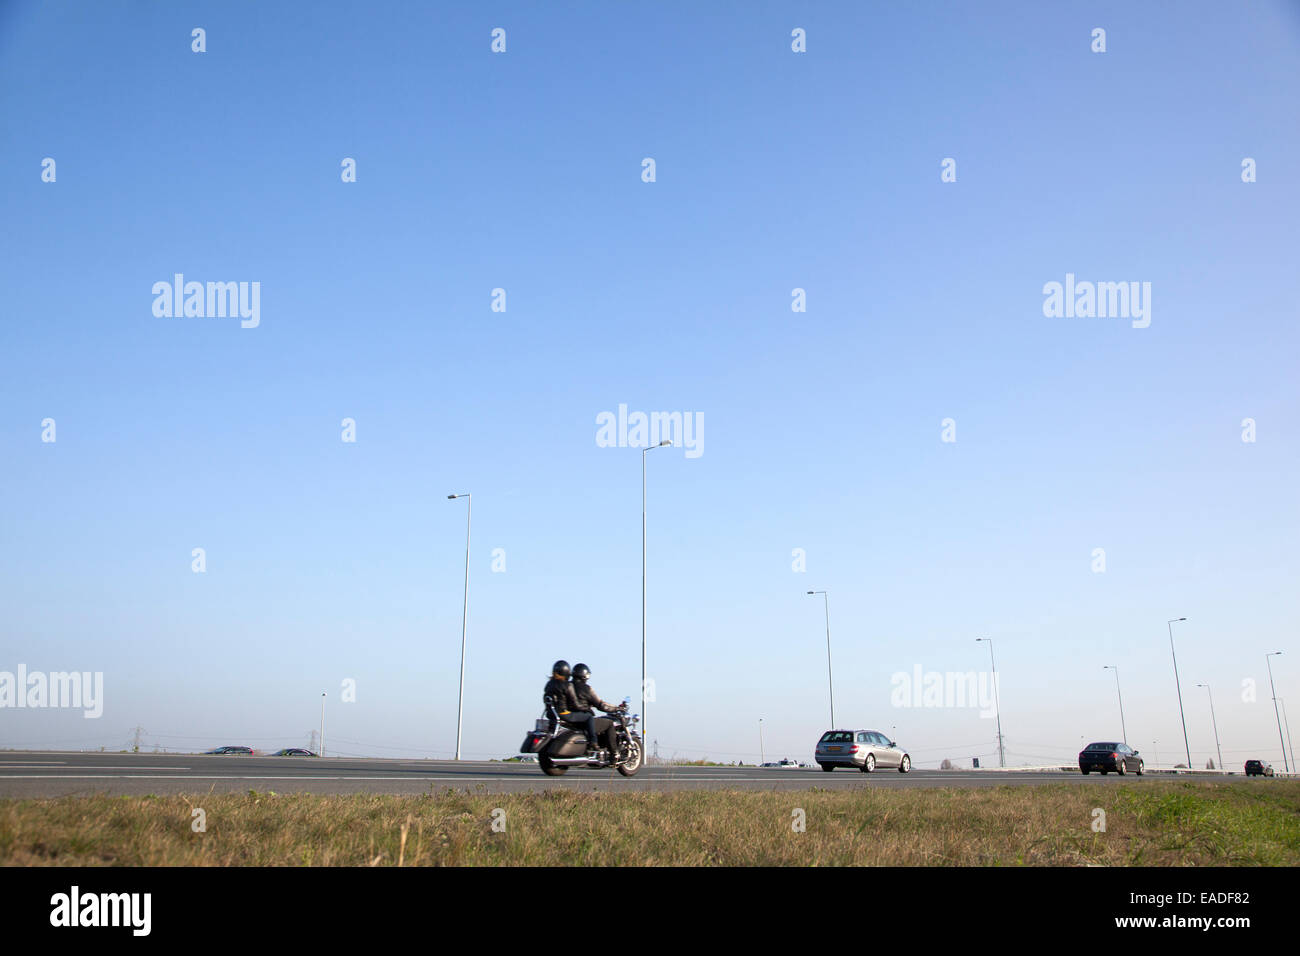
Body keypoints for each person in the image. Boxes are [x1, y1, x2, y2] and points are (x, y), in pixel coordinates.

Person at [543, 659, 598, 754]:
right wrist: (587, 709)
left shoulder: (549, 684)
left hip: (551, 714)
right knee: (589, 717)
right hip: (564, 713)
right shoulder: (567, 685)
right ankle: (593, 742)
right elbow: (576, 704)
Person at [571, 663, 622, 761]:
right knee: (609, 723)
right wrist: (616, 708)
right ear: (585, 676)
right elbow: (600, 705)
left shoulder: (567, 686)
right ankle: (614, 754)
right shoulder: (586, 689)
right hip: (584, 721)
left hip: (571, 720)